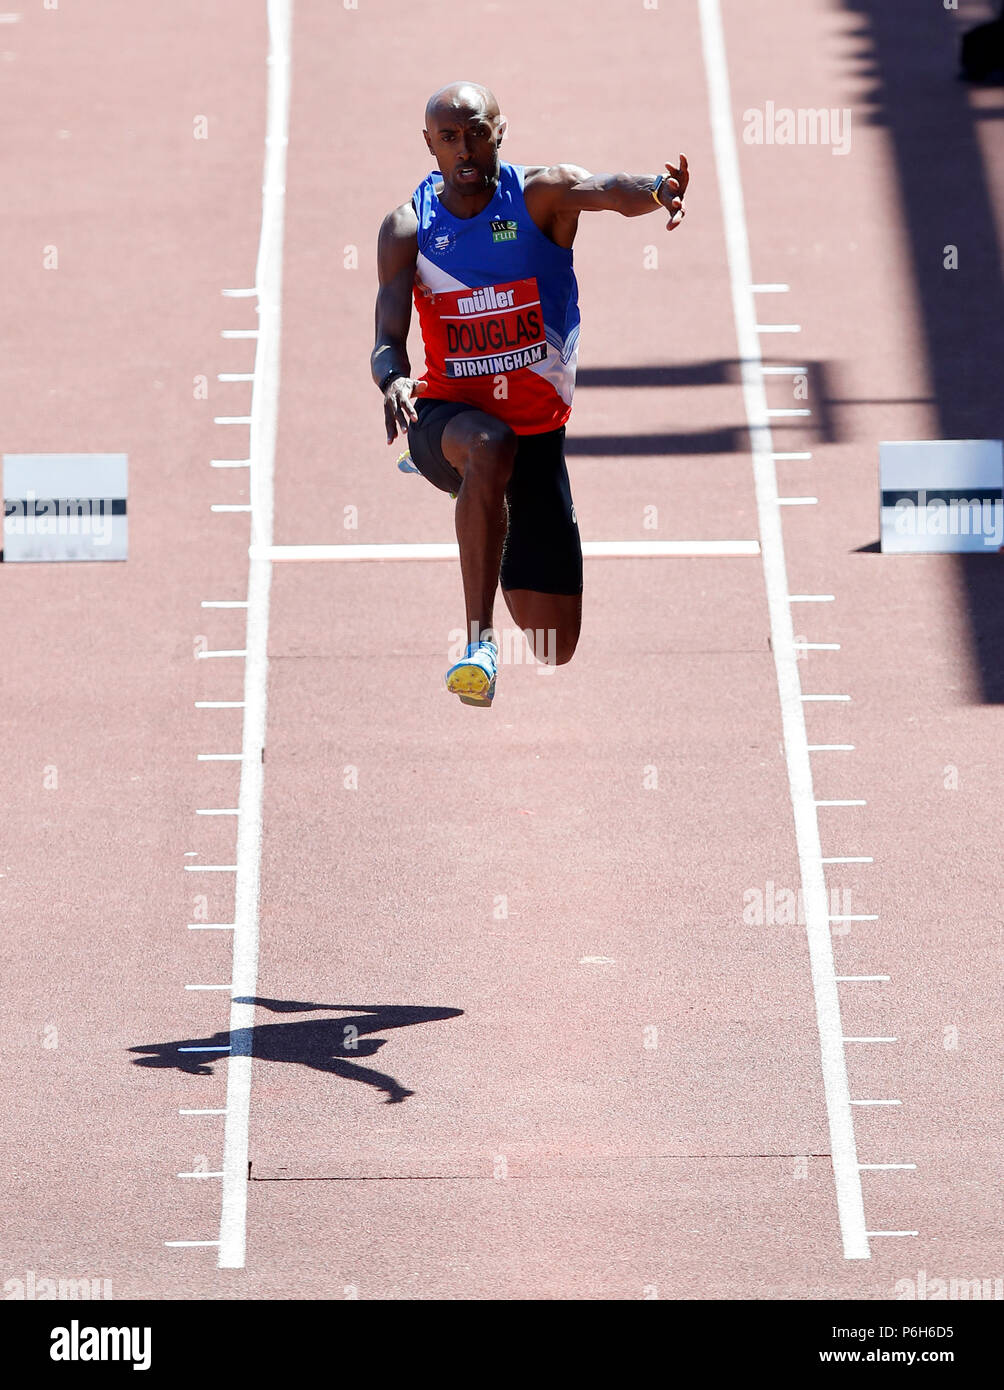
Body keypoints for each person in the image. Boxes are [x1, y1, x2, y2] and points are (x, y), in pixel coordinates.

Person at [371, 81, 688, 706]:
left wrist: (656, 189)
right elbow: (387, 336)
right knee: (488, 444)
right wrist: (394, 378)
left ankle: (497, 513)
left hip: (539, 435)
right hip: (448, 418)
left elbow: (608, 192)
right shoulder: (409, 228)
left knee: (552, 643)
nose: (465, 148)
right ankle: (478, 646)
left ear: (500, 130)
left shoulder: (541, 197)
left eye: (477, 133)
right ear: (429, 144)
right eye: (449, 137)